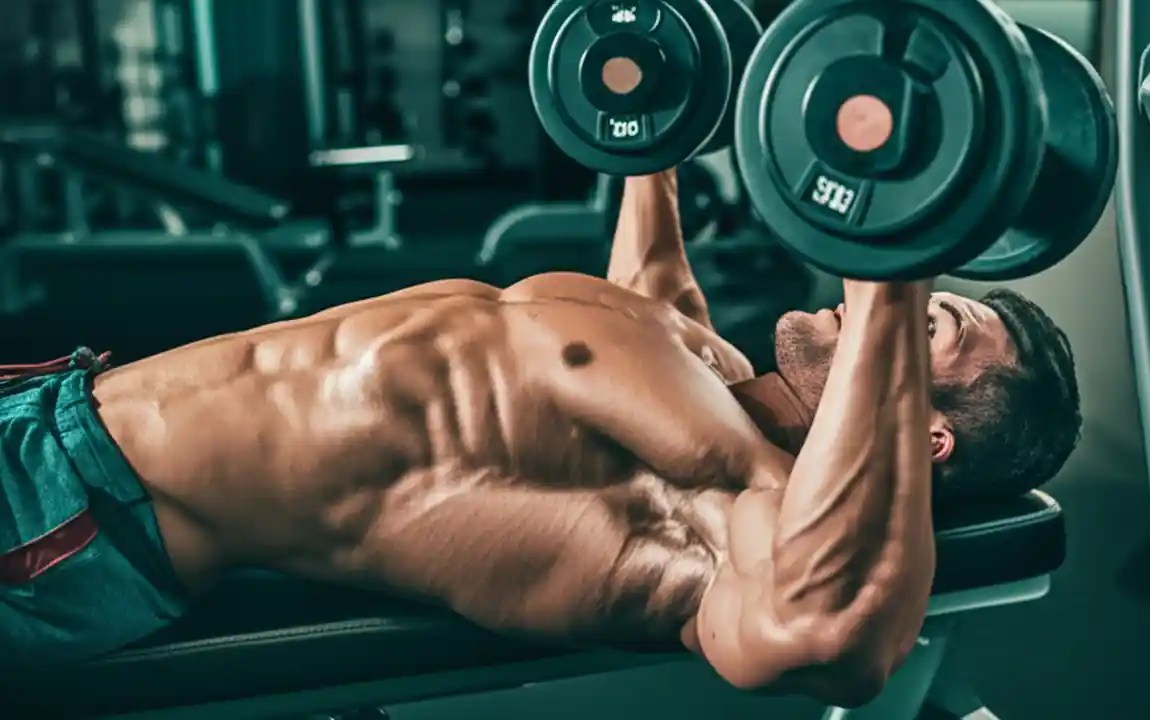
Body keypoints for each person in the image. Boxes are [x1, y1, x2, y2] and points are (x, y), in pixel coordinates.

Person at [0, 169, 1080, 708]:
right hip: (57, 404)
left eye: (928, 323)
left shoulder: (714, 516)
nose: (876, 306)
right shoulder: (703, 372)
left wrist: (889, 272)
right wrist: (650, 141)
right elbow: (641, 292)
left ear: (919, 432)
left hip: (69, 515)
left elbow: (831, 633)